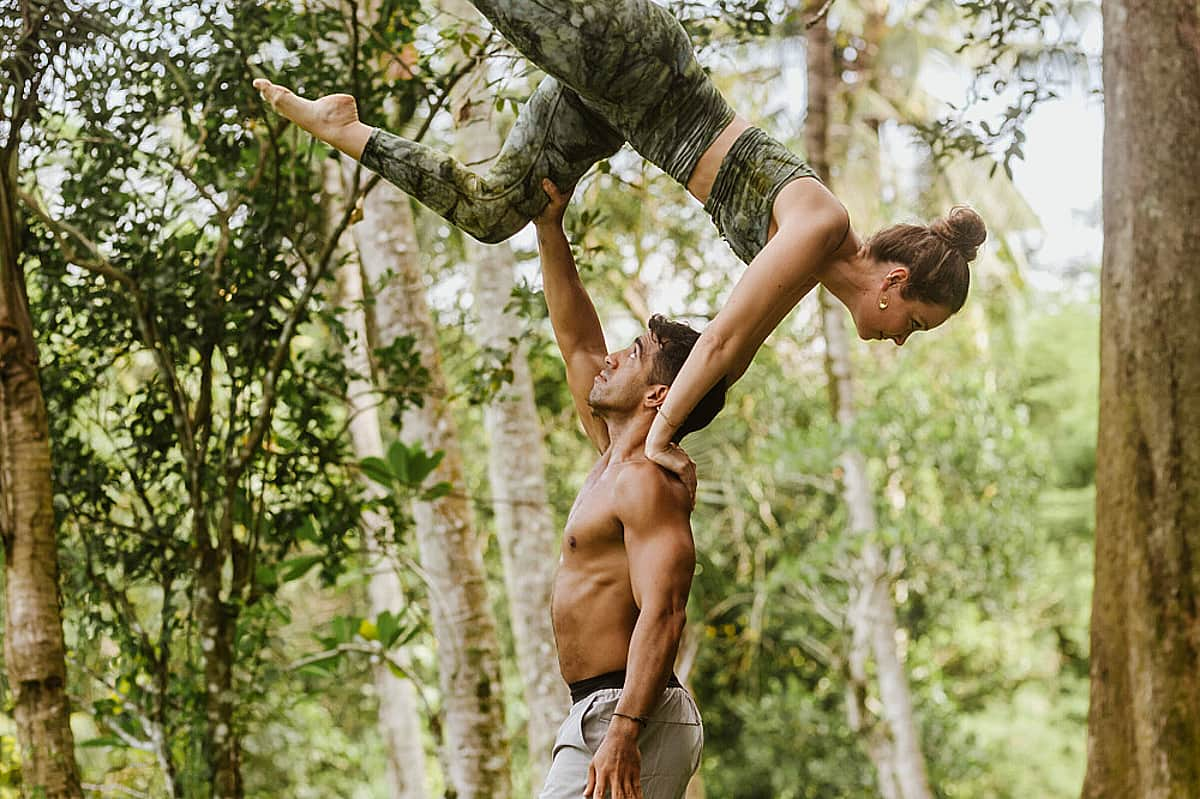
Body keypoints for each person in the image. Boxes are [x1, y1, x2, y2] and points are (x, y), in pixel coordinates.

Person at [252, 0, 986, 480]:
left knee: (495, 213)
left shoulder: (816, 259)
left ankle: (346, 127)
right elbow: (726, 342)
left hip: (622, 112)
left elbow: (727, 352)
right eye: (914, 325)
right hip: (640, 66)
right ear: (894, 282)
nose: (898, 341)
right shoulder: (822, 224)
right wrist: (661, 435)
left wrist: (654, 427)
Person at [531, 179, 721, 799]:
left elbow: (665, 613)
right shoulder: (610, 458)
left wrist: (623, 731)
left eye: (633, 352)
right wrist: (549, 229)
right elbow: (577, 339)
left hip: (631, 711)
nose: (610, 356)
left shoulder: (646, 483)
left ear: (657, 395)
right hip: (597, 709)